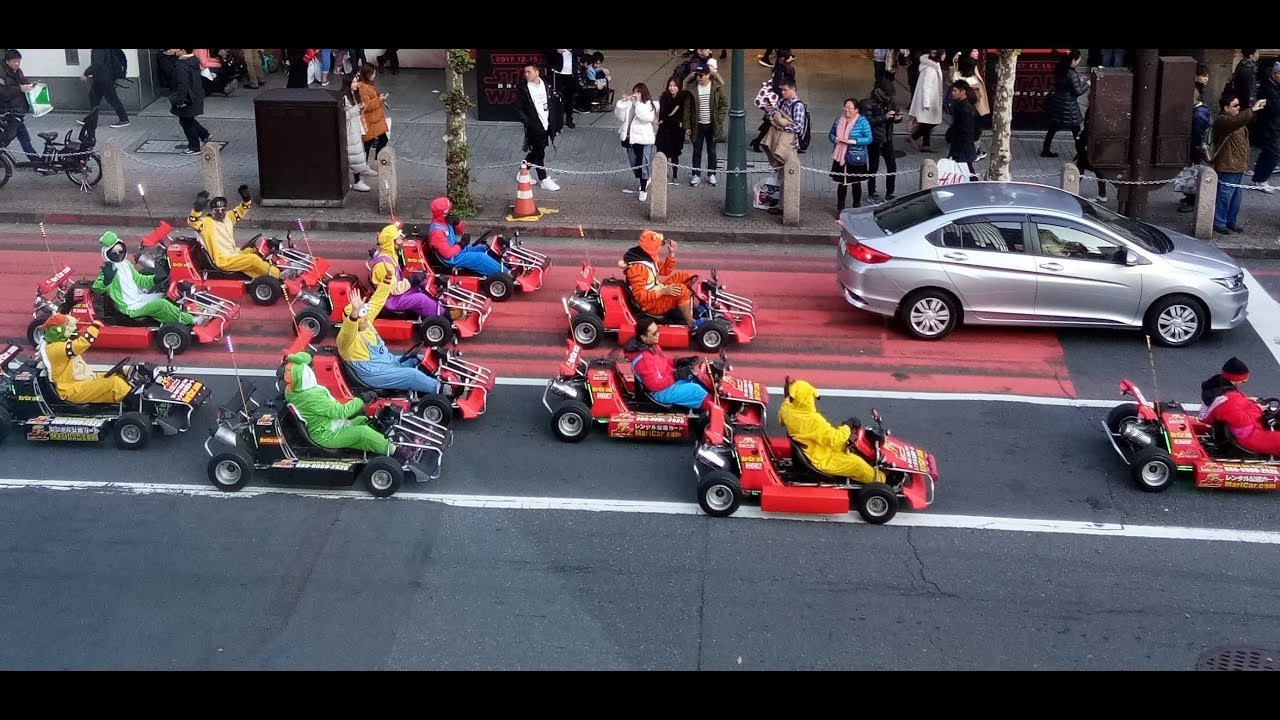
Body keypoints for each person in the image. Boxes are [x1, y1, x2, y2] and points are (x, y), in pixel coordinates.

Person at [283, 350, 407, 458]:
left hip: (332, 425)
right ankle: (397, 452)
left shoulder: (295, 391)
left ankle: (384, 444)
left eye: (288, 372)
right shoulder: (311, 398)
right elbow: (341, 412)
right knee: (362, 432)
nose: (285, 375)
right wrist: (361, 399)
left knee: (363, 420)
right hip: (327, 434)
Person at [337, 279, 448, 396]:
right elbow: (348, 330)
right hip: (375, 374)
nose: (365, 319)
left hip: (389, 361)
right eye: (361, 317)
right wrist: (354, 314)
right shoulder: (346, 341)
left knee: (421, 358)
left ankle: (445, 376)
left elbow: (377, 301)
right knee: (411, 375)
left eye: (364, 315)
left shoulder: (365, 323)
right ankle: (443, 390)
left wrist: (387, 280)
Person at [778, 379, 886, 483]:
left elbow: (784, 410)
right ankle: (881, 480)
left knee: (849, 445)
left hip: (815, 446)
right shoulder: (812, 420)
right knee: (857, 464)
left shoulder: (788, 409)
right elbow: (835, 439)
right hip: (820, 458)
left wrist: (789, 390)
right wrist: (849, 425)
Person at [92, 231, 194, 325]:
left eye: (120, 251)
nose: (118, 254)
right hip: (130, 307)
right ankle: (191, 320)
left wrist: (155, 279)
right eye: (114, 253)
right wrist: (107, 280)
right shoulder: (107, 270)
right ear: (107, 254)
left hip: (139, 298)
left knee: (167, 296)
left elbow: (139, 280)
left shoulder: (126, 264)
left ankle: (188, 313)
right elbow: (97, 288)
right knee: (161, 304)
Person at [36, 314, 134, 404]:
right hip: (71, 389)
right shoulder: (55, 349)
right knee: (115, 383)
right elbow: (81, 344)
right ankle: (137, 404)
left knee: (126, 372)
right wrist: (95, 327)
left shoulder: (59, 344)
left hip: (82, 380)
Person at [188, 184, 281, 280]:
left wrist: (246, 198)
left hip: (234, 253)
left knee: (256, 252)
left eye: (222, 210)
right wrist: (197, 209)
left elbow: (242, 209)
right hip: (224, 260)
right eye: (217, 210)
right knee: (253, 260)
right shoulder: (206, 223)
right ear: (212, 211)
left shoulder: (228, 218)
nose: (220, 213)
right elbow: (193, 222)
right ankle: (279, 275)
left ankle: (268, 273)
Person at [622, 317, 714, 412]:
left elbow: (663, 363)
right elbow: (654, 385)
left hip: (666, 381)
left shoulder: (652, 347)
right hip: (659, 392)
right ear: (644, 337)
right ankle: (713, 412)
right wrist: (676, 376)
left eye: (657, 330)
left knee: (696, 379)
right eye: (654, 333)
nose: (658, 334)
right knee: (696, 390)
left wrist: (677, 362)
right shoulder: (643, 360)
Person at [1198, 357, 1280, 455]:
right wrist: (1258, 408)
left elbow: (1235, 408)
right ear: (1234, 380)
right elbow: (1243, 421)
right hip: (1248, 436)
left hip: (1241, 428)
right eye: (1242, 380)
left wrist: (1248, 401)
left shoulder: (1221, 388)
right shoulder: (1230, 400)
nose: (1244, 381)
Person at [621, 229, 697, 328]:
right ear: (652, 247)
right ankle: (691, 323)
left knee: (684, 276)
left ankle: (682, 304)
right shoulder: (638, 268)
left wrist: (671, 253)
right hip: (650, 304)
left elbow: (665, 270)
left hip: (657, 290)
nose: (659, 248)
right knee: (681, 290)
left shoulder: (647, 257)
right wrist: (663, 292)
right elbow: (640, 296)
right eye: (658, 246)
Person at [369, 223, 447, 319]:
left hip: (396, 293)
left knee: (423, 285)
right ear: (391, 242)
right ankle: (443, 315)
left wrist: (415, 279)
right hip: (390, 299)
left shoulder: (391, 256)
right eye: (398, 238)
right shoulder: (383, 265)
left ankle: (437, 306)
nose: (401, 241)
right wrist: (410, 280)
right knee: (421, 299)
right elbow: (394, 290)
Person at [426, 196, 507, 277]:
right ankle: (506, 275)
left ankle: (505, 265)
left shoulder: (446, 221)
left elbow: (459, 231)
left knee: (484, 249)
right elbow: (447, 254)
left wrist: (457, 222)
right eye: (448, 210)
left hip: (456, 251)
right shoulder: (437, 232)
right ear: (443, 213)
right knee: (480, 258)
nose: (451, 212)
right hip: (452, 258)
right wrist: (461, 245)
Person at [514, 62, 564, 191]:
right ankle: (543, 179)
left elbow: (553, 104)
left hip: (547, 123)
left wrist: (556, 124)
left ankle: (523, 170)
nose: (526, 74)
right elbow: (518, 109)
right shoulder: (522, 88)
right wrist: (529, 122)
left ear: (537, 72)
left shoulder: (547, 85)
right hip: (535, 125)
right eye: (525, 72)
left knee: (537, 150)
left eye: (529, 72)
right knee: (540, 152)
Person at [829, 97, 873, 214]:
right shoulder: (838, 120)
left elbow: (869, 138)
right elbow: (831, 134)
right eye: (845, 107)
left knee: (856, 183)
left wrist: (855, 141)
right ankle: (840, 208)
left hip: (855, 155)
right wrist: (836, 139)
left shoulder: (863, 122)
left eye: (850, 108)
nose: (847, 110)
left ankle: (856, 207)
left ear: (856, 110)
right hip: (840, 156)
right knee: (842, 184)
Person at [0, 49, 42, 163]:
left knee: (23, 137)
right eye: (14, 61)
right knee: (9, 136)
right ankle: (35, 159)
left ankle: (35, 160)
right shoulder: (2, 73)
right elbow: (3, 92)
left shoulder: (18, 71)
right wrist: (20, 89)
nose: (17, 64)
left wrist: (30, 85)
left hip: (19, 109)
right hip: (8, 111)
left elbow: (22, 83)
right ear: (7, 61)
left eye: (19, 61)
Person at [165, 49, 209, 155]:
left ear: (183, 50)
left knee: (186, 122)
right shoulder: (194, 60)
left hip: (187, 98)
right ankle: (204, 135)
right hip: (195, 95)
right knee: (188, 119)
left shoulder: (182, 65)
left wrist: (180, 100)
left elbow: (183, 85)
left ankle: (194, 147)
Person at [81, 49, 130, 128]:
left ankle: (124, 119)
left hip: (104, 78)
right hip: (101, 78)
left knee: (112, 99)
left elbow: (97, 63)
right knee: (94, 99)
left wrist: (86, 73)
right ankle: (91, 120)